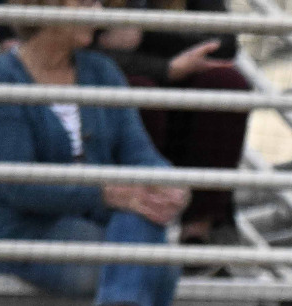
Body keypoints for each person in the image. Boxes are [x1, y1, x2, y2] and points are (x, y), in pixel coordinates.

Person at [0, 0, 187, 306]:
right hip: (21, 230)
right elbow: (21, 188)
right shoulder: (0, 83)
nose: (97, 14)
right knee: (147, 263)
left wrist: (166, 184)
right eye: (85, 3)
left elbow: (139, 153)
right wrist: (106, 193)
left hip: (96, 220)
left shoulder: (102, 72)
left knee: (145, 227)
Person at [97, 0, 250, 247]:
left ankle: (199, 233)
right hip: (127, 99)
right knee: (140, 93)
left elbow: (224, 44)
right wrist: (165, 67)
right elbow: (88, 48)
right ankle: (138, 230)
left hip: (180, 101)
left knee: (225, 82)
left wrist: (144, 33)